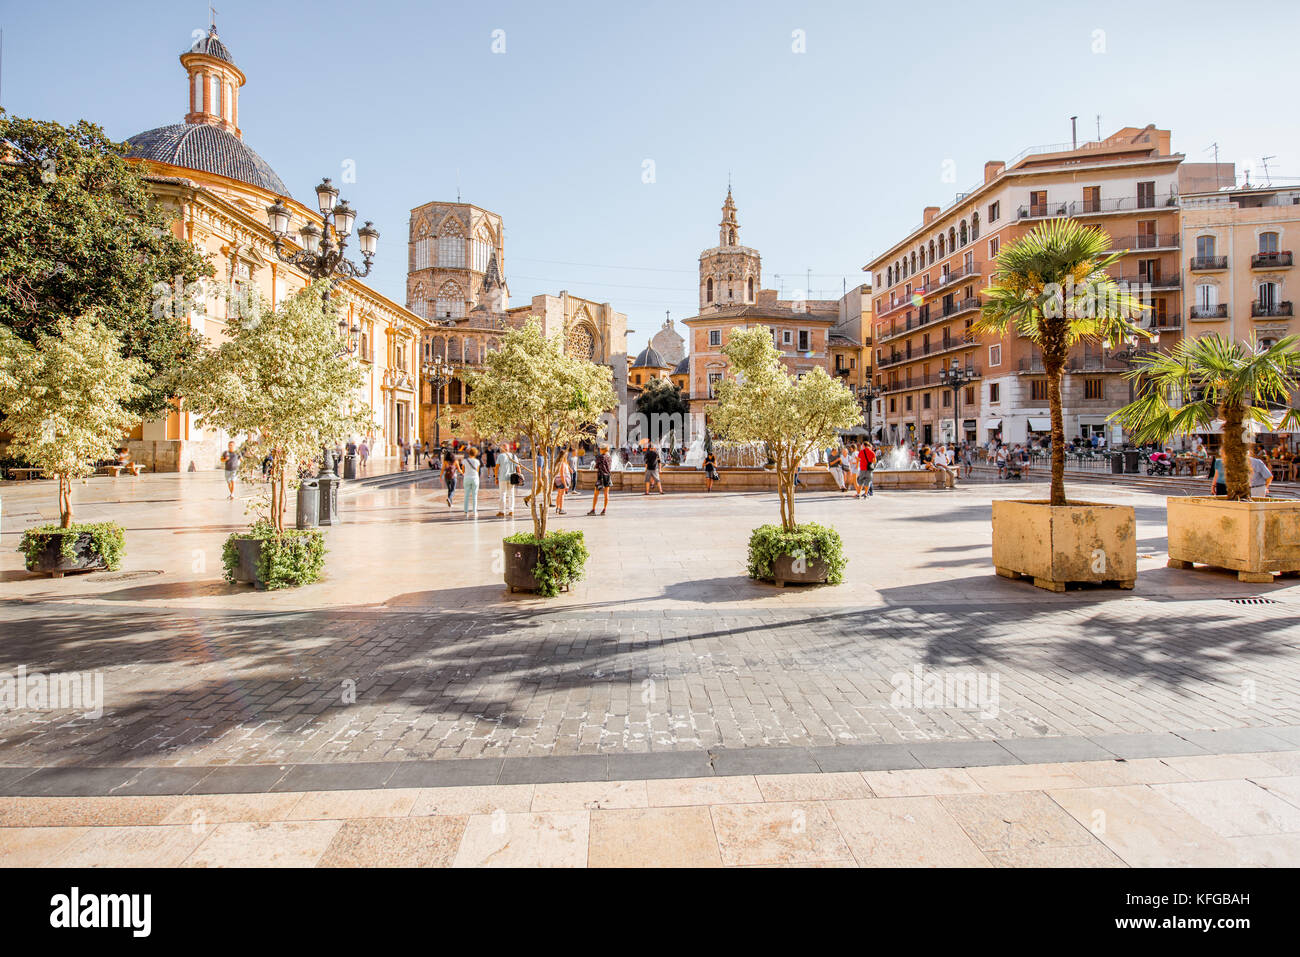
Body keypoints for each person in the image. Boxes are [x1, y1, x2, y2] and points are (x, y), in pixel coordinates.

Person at [588, 443, 613, 515]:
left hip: (601, 476)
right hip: (608, 476)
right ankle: (604, 510)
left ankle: (593, 510)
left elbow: (596, 466)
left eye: (600, 449)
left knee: (596, 494)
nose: (599, 450)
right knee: (606, 494)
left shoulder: (600, 457)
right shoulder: (609, 457)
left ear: (602, 450)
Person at [497, 443, 520, 517]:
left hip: (502, 478)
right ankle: (511, 511)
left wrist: (496, 477)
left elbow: (496, 467)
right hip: (512, 478)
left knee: (502, 494)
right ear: (509, 448)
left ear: (503, 448)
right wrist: (519, 476)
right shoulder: (513, 456)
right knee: (511, 495)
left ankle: (502, 511)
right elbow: (518, 467)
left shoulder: (500, 456)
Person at [462, 446, 481, 517]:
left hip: (467, 478)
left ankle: (466, 512)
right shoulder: (477, 461)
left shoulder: (464, 461)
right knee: (474, 495)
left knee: (466, 495)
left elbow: (463, 470)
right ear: (475, 453)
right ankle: (474, 512)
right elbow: (477, 471)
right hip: (475, 478)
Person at [553, 449, 572, 514]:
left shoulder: (558, 463)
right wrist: (565, 485)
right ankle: (561, 509)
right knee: (562, 495)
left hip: (558, 480)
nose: (567, 457)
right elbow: (562, 474)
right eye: (566, 456)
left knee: (559, 494)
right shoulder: (562, 464)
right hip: (562, 480)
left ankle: (557, 507)